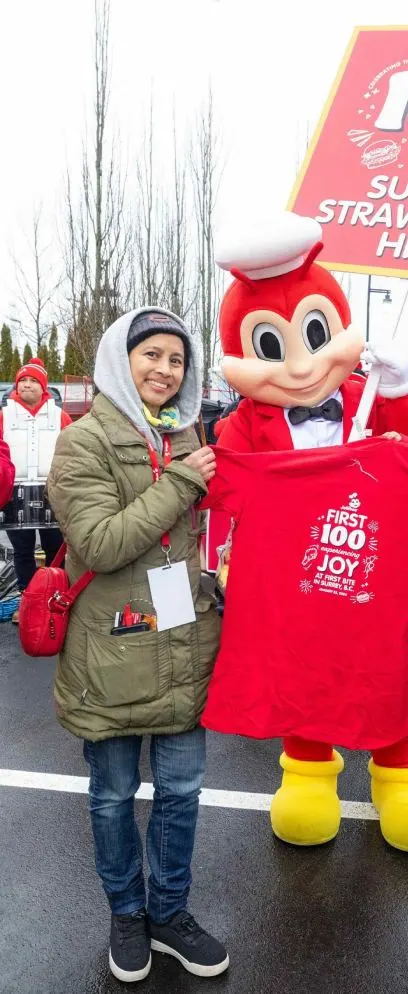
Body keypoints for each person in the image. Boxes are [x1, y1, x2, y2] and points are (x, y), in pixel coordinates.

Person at [204, 212, 408, 857]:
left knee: (383, 671)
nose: (299, 366)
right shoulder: (250, 422)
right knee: (303, 676)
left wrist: (398, 393)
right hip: (295, 585)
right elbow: (222, 482)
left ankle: (400, 777)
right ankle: (309, 774)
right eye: (269, 348)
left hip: (374, 576)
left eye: (315, 335)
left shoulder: (373, 398)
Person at [46, 307, 227, 984]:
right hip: (111, 652)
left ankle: (170, 912)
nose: (165, 370)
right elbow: (100, 543)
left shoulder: (187, 433)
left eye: (177, 360)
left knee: (182, 791)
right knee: (114, 795)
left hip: (182, 640)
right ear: (120, 362)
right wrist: (184, 481)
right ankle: (127, 912)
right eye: (151, 354)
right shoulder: (84, 440)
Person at [0, 357, 72, 622]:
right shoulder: (4, 415)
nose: (27, 385)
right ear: (16, 386)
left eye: (33, 381)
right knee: (22, 552)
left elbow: (75, 451)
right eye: (23, 381)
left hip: (52, 490)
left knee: (57, 549)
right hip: (14, 493)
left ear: (43, 387)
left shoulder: (59, 416)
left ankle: (56, 600)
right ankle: (28, 604)